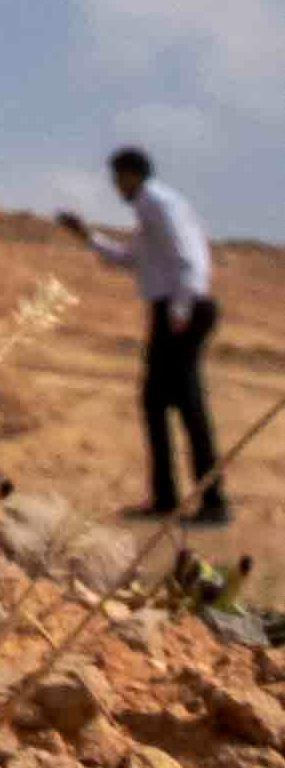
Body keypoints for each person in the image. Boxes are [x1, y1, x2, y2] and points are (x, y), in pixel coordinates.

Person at [59, 147, 227, 525]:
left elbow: (189, 258)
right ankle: (167, 499)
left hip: (181, 308)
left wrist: (180, 311)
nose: (115, 185)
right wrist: (87, 236)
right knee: (157, 403)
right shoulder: (149, 208)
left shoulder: (158, 202)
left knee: (188, 407)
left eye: (118, 177)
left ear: (132, 174)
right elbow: (131, 258)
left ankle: (212, 502)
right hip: (174, 308)